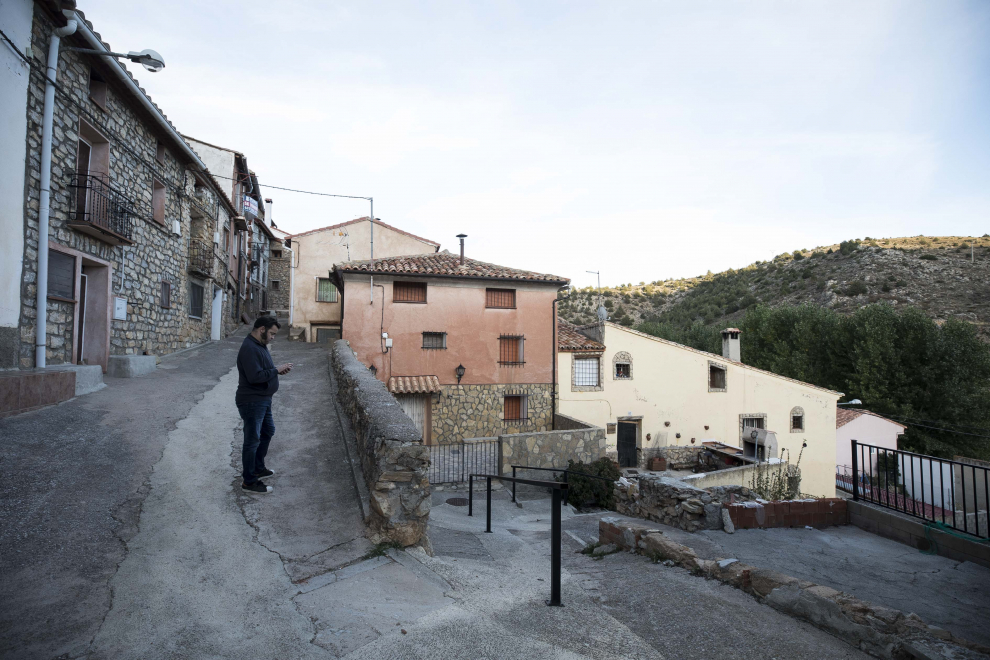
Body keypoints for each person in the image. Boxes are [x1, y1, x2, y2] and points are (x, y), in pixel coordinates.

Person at [236, 317, 292, 494]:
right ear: (262, 329)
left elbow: (262, 371)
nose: (273, 337)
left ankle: (258, 468)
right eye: (272, 334)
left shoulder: (259, 345)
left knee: (268, 431)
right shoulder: (249, 348)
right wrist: (275, 370)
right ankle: (249, 482)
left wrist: (276, 371)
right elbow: (254, 377)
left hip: (263, 399)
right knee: (251, 441)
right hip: (252, 401)